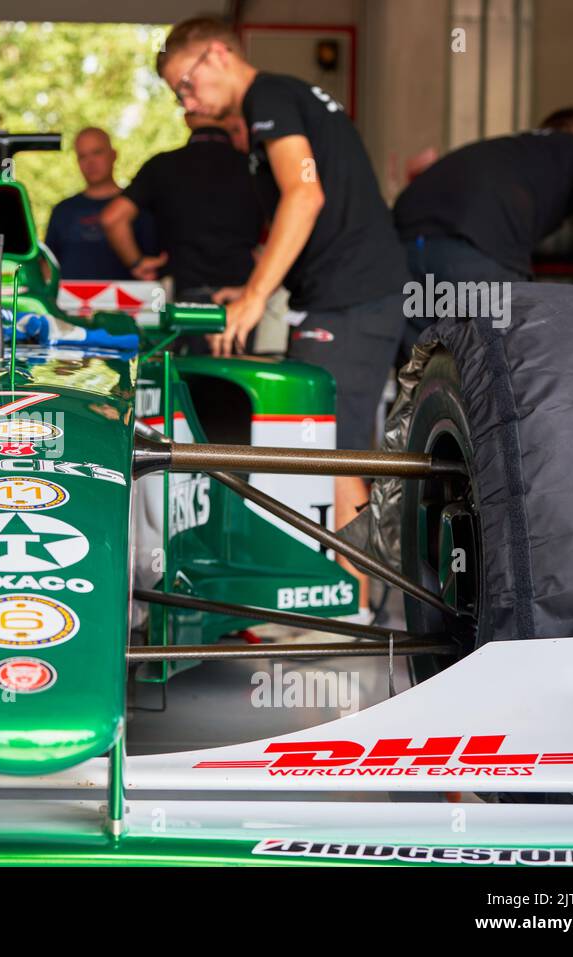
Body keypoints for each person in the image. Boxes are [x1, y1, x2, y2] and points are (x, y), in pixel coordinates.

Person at [159, 17, 410, 619]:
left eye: (186, 86)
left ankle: (355, 608)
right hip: (344, 295)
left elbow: (306, 194)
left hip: (352, 298)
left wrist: (251, 302)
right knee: (329, 445)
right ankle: (347, 597)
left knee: (331, 451)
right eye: (177, 97)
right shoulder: (286, 100)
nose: (186, 103)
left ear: (219, 54)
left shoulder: (269, 95)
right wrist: (243, 286)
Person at [394, 106, 573, 340]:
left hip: (403, 256)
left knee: (425, 368)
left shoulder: (502, 147)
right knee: (517, 362)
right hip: (475, 256)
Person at [101, 112, 261, 324]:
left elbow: (112, 218)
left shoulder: (161, 166)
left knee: (180, 357)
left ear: (186, 120)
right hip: (243, 295)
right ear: (230, 119)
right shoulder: (255, 168)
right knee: (236, 358)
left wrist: (138, 262)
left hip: (182, 294)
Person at [44, 127, 154, 279]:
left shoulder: (136, 207)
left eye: (97, 152)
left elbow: (152, 264)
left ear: (113, 155)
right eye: (82, 156)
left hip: (127, 300)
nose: (90, 162)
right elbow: (47, 267)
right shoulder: (62, 210)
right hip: (70, 301)